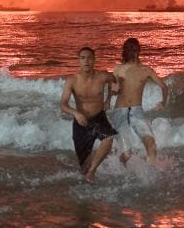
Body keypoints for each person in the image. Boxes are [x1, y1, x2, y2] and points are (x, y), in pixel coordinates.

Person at [59, 47, 117, 182]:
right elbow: (63, 103)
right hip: (81, 122)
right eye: (83, 58)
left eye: (90, 58)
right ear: (79, 61)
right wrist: (75, 113)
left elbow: (115, 82)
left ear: (94, 60)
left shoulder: (103, 76)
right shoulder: (72, 80)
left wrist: (109, 99)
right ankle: (88, 171)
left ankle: (93, 171)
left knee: (108, 138)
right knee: (83, 169)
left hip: (99, 117)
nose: (87, 61)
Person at [109, 38, 168, 164]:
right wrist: (112, 91)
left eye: (135, 49)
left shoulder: (146, 70)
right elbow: (114, 91)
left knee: (151, 145)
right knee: (127, 153)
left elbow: (164, 86)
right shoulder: (118, 69)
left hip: (137, 111)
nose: (133, 52)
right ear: (125, 51)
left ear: (139, 51)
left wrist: (163, 102)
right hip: (120, 111)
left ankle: (149, 174)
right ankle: (120, 173)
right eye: (130, 49)